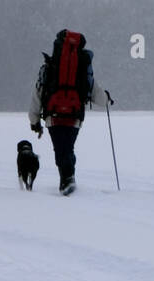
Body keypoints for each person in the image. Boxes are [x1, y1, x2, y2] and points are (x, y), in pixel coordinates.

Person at [28, 30, 105, 195]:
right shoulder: (83, 66)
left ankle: (67, 180)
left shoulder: (49, 66)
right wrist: (107, 99)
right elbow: (94, 90)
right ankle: (69, 179)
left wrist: (34, 120)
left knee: (61, 149)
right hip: (74, 115)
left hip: (53, 116)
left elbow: (38, 93)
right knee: (68, 147)